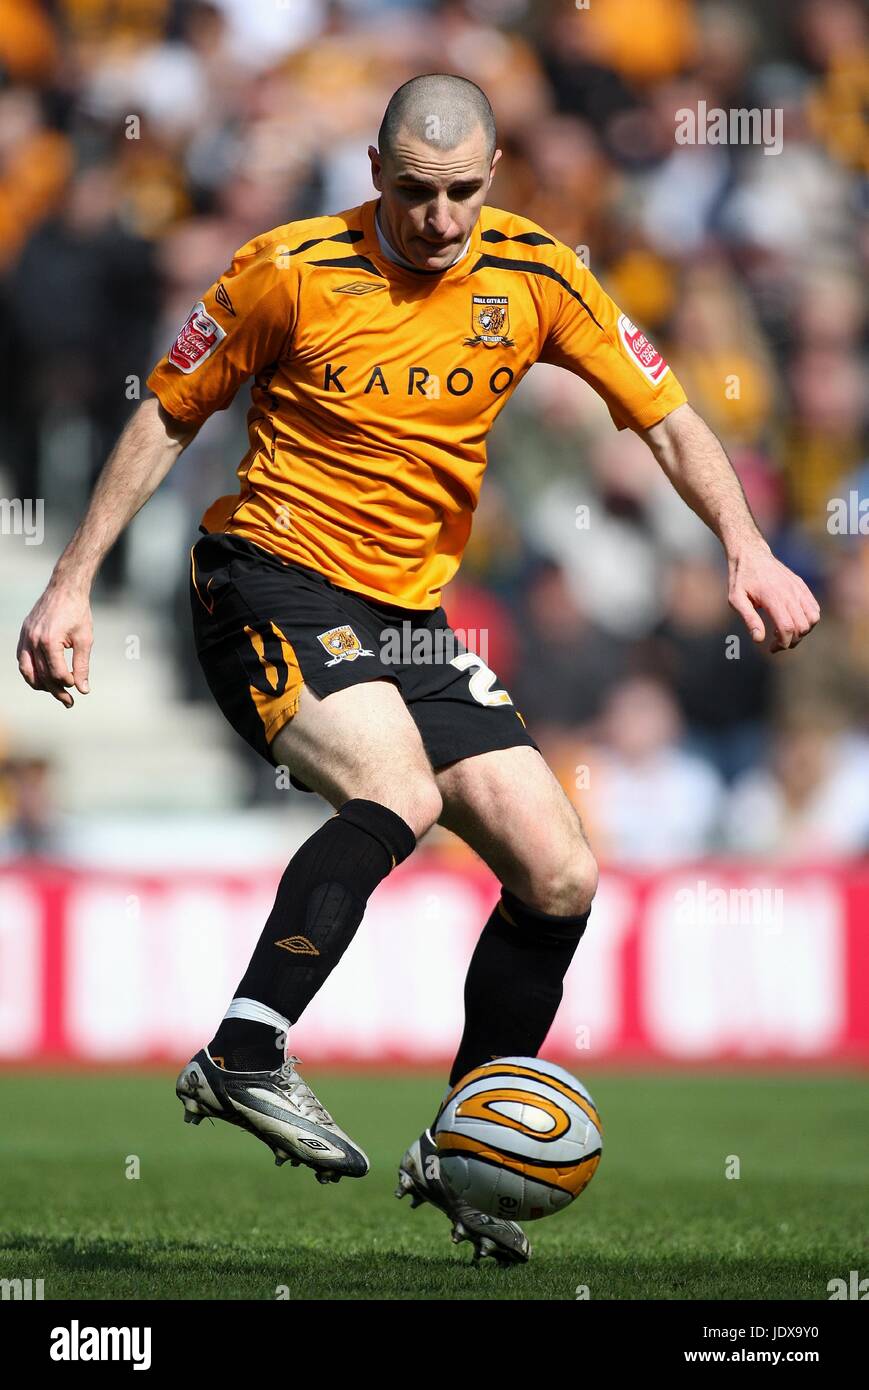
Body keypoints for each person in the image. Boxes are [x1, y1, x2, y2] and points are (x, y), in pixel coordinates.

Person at [16, 73, 820, 1265]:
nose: (437, 218)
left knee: (558, 872)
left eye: (458, 192)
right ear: (375, 176)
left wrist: (744, 545)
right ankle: (245, 1049)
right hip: (265, 578)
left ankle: (464, 1149)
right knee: (399, 791)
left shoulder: (538, 275)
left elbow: (660, 415)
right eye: (411, 192)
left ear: (490, 177)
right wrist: (72, 580)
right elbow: (168, 415)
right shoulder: (285, 268)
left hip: (408, 615)